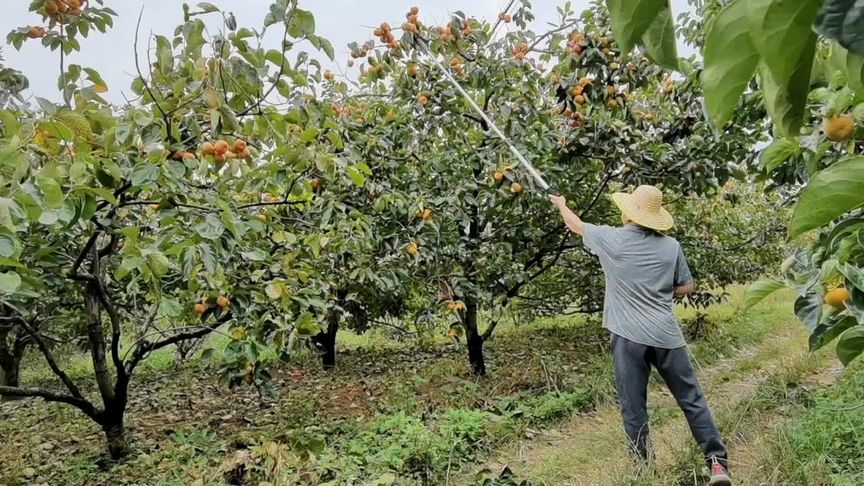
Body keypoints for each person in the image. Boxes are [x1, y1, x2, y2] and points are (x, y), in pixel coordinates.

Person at [549, 185, 731, 486]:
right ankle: (716, 464)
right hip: (666, 336)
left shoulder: (612, 239)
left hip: (628, 337)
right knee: (692, 399)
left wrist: (561, 204)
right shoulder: (671, 246)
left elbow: (575, 224)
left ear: (628, 213)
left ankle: (643, 470)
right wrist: (661, 290)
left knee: (634, 407)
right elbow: (688, 287)